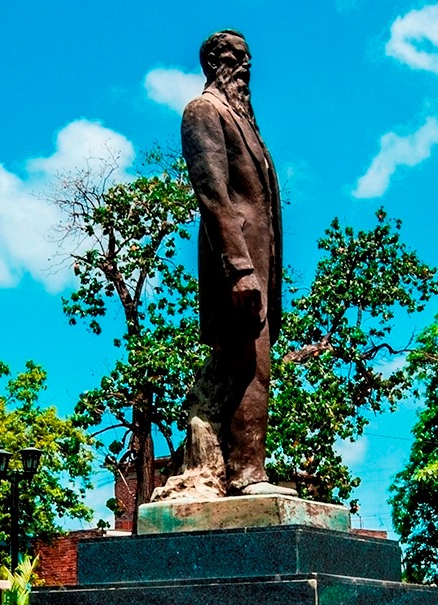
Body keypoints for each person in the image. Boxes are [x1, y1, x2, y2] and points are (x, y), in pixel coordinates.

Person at [154, 28, 287, 500]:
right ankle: (246, 473)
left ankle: (243, 467)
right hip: (236, 264)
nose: (246, 65)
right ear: (213, 62)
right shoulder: (203, 111)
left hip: (259, 262)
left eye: (249, 57)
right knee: (250, 362)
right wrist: (240, 268)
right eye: (236, 57)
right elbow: (212, 194)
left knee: (254, 363)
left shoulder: (246, 121)